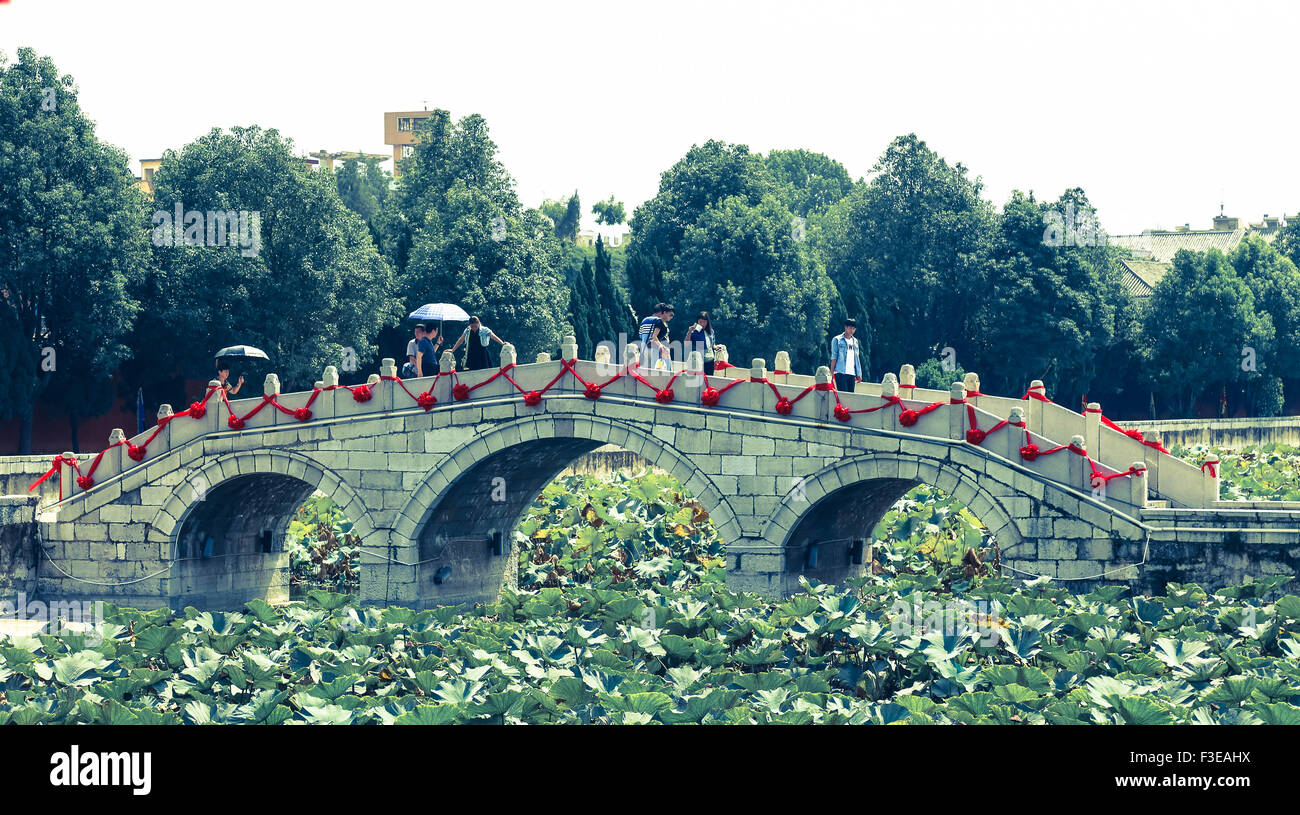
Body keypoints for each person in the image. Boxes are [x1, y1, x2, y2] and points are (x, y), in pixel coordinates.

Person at [829, 318, 865, 393]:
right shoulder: (837, 340)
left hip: (851, 373)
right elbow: (834, 357)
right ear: (845, 327)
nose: (852, 330)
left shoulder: (855, 341)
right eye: (850, 328)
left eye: (854, 329)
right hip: (840, 372)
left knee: (850, 397)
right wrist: (831, 373)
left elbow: (856, 358)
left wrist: (859, 373)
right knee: (844, 396)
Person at [638, 302, 674, 369]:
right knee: (658, 370)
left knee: (645, 371)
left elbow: (640, 335)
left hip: (644, 347)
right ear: (662, 312)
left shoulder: (644, 320)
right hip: (655, 348)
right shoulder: (660, 322)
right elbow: (662, 338)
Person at [686, 311, 716, 375]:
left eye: (704, 322)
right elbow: (686, 344)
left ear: (707, 322)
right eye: (700, 322)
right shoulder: (694, 332)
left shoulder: (711, 332)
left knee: (709, 380)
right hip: (699, 361)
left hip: (710, 360)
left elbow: (712, 345)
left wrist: (717, 347)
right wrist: (689, 331)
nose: (702, 324)